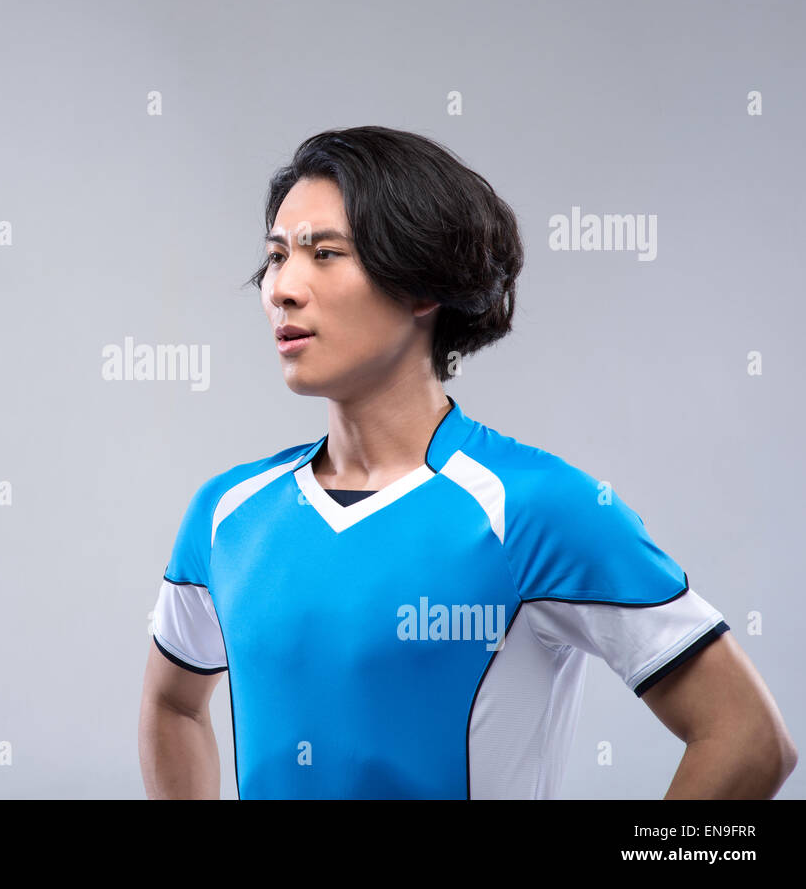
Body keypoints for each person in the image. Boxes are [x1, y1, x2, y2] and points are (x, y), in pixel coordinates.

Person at [137, 126, 797, 799]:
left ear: (423, 286)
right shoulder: (226, 513)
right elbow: (174, 704)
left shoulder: (536, 509)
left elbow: (748, 738)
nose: (282, 286)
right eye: (277, 256)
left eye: (325, 253)